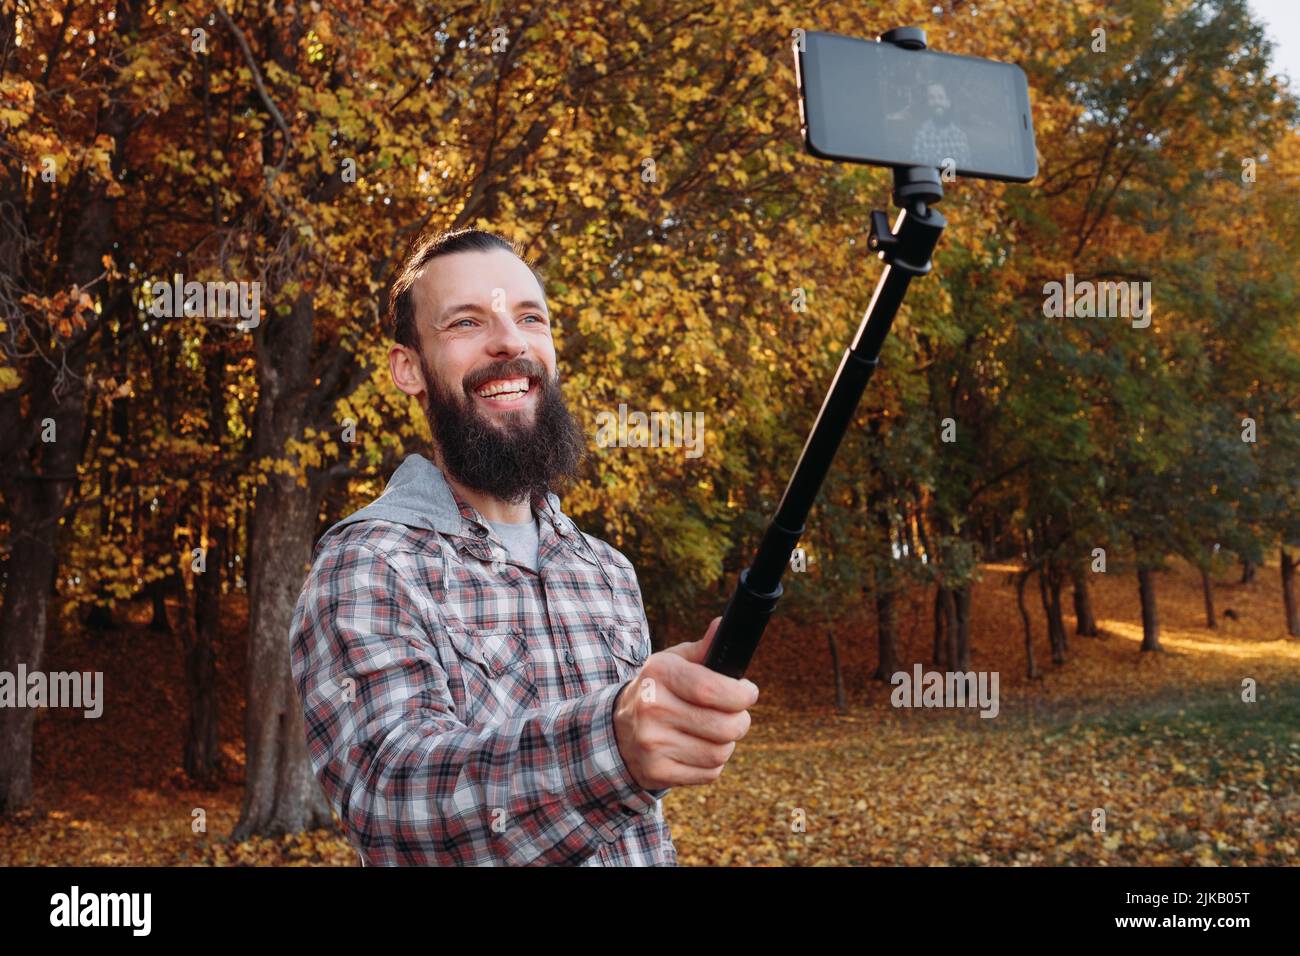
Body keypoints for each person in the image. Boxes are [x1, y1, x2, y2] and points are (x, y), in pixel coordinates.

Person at [289, 228, 758, 866]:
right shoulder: (368, 564)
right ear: (408, 368)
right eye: (465, 322)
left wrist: (659, 723)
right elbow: (393, 804)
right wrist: (612, 744)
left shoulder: (606, 571)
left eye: (529, 317)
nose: (509, 340)